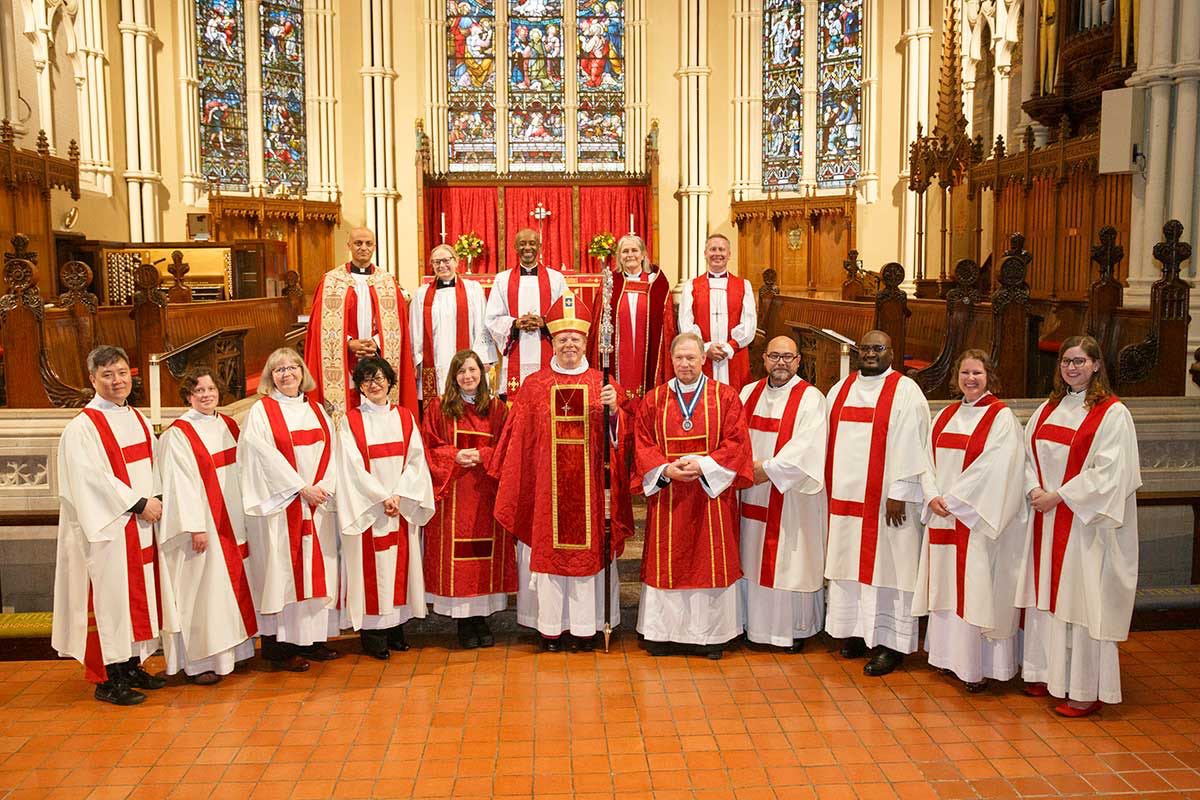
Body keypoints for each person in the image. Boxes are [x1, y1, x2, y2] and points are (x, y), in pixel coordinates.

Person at [490, 291, 634, 651]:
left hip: (590, 493)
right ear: (552, 341)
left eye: (576, 338)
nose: (570, 344)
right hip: (546, 494)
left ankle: (586, 628)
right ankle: (550, 629)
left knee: (590, 558)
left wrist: (615, 413)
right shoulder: (534, 386)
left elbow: (625, 439)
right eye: (563, 338)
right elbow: (517, 444)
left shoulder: (604, 384)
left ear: (587, 341)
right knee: (549, 556)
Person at [1016, 335, 1140, 717]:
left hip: (1087, 527)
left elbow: (1110, 474)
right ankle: (1046, 672)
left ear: (1097, 365)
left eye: (1080, 361)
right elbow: (1025, 455)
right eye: (1067, 361)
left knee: (1082, 603)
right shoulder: (1048, 407)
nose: (1072, 367)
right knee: (1047, 599)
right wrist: (1035, 487)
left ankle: (1086, 689)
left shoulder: (1112, 413)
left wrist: (1060, 496)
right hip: (1046, 520)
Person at [52, 345, 167, 705]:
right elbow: (91, 480)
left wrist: (157, 498)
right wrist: (138, 504)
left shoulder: (136, 417)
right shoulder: (81, 428)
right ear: (92, 379)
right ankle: (108, 679)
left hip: (141, 524)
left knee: (138, 596)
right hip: (109, 530)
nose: (117, 381)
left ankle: (132, 664)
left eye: (121, 373)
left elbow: (155, 463)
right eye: (107, 375)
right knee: (111, 601)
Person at [911, 350, 1026, 693]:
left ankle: (979, 665)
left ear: (989, 375)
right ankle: (949, 659)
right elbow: (926, 460)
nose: (970, 379)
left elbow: (997, 468)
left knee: (976, 590)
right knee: (945, 587)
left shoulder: (1001, 418)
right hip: (944, 517)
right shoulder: (945, 414)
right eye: (965, 373)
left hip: (976, 521)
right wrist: (931, 494)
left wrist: (954, 500)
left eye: (977, 373)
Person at [633, 332, 754, 659]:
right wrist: (664, 470)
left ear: (704, 359)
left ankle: (710, 636)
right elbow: (642, 443)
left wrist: (705, 466)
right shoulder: (654, 400)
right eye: (679, 358)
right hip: (669, 496)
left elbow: (737, 443)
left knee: (707, 558)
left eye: (691, 357)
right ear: (671, 361)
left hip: (710, 498)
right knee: (668, 558)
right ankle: (662, 633)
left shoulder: (725, 397)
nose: (685, 364)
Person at [824, 330, 933, 676]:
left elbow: (912, 442)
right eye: (865, 348)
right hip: (844, 501)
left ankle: (890, 644)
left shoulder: (905, 391)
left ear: (891, 351)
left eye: (878, 348)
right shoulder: (840, 389)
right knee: (848, 566)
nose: (870, 354)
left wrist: (900, 492)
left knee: (889, 570)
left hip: (888, 503)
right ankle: (854, 631)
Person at [239, 347, 340, 672]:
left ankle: (313, 641)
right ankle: (281, 649)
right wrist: (300, 488)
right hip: (284, 508)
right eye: (279, 369)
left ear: (302, 372)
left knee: (316, 570)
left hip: (317, 504)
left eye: (292, 367)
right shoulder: (261, 412)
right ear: (270, 377)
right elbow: (262, 457)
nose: (287, 374)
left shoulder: (317, 410)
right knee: (284, 573)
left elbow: (334, 451)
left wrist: (323, 486)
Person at [158, 367, 257, 685]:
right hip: (202, 528)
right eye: (198, 390)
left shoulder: (228, 424)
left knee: (231, 592)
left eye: (210, 389)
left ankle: (235, 654)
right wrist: (194, 527)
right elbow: (179, 485)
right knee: (204, 594)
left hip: (233, 522)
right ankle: (200, 663)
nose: (206, 395)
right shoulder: (179, 434)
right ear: (188, 395)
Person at [335, 356, 435, 659]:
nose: (374, 384)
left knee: (398, 567)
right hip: (371, 508)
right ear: (359, 387)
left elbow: (416, 460)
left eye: (379, 378)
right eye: (366, 380)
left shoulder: (405, 417)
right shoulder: (349, 421)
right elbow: (350, 466)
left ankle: (396, 628)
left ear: (390, 381)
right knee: (373, 570)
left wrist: (401, 495)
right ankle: (372, 632)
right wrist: (382, 496)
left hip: (399, 508)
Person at [738, 335, 828, 653]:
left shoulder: (811, 399)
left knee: (788, 561)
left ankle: (787, 631)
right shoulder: (748, 393)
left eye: (788, 357)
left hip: (788, 499)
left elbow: (806, 450)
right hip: (749, 496)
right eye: (774, 356)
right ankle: (750, 624)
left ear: (798, 361)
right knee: (749, 553)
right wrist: (743, 470)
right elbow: (734, 440)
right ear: (763, 359)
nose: (781, 363)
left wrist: (761, 470)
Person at [422, 349, 514, 649]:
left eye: (473, 370)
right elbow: (428, 446)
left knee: (482, 559)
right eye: (461, 372)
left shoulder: (498, 409)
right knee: (457, 558)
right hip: (452, 494)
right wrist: (454, 454)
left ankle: (481, 618)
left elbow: (507, 447)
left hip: (486, 494)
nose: (468, 376)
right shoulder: (439, 407)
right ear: (453, 376)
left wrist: (484, 455)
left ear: (482, 374)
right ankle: (463, 621)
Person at [304, 226, 418, 420]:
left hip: (378, 356)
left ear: (374, 247)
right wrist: (349, 343)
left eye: (368, 243)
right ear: (349, 246)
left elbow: (399, 323)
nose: (363, 248)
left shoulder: (387, 281)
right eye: (358, 243)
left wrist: (377, 342)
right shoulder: (332, 281)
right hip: (344, 359)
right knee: (347, 409)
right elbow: (318, 326)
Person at [589, 234, 676, 402]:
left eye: (634, 250)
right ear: (619, 257)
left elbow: (668, 326)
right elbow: (597, 324)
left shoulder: (657, 283)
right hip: (617, 352)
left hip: (647, 353)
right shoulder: (610, 283)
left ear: (643, 254)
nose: (630, 255)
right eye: (625, 251)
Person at [484, 228, 567, 396]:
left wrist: (544, 322)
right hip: (516, 348)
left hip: (546, 348)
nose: (527, 247)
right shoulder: (502, 279)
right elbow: (492, 317)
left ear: (540, 247)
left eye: (532, 243)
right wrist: (515, 324)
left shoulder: (556, 278)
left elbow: (566, 313)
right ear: (515, 247)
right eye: (522, 244)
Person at [410, 244, 494, 402]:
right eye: (436, 262)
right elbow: (415, 330)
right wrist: (415, 361)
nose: (442, 265)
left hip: (467, 361)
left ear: (456, 261)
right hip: (434, 361)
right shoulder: (421, 294)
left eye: (446, 260)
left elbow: (483, 326)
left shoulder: (473, 289)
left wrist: (484, 357)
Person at [678, 233, 757, 390]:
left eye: (722, 249)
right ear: (705, 253)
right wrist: (705, 348)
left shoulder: (743, 285)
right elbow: (685, 323)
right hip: (703, 356)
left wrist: (730, 347)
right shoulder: (691, 286)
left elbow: (749, 323)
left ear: (729, 254)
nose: (717, 254)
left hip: (734, 355)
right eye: (713, 249)